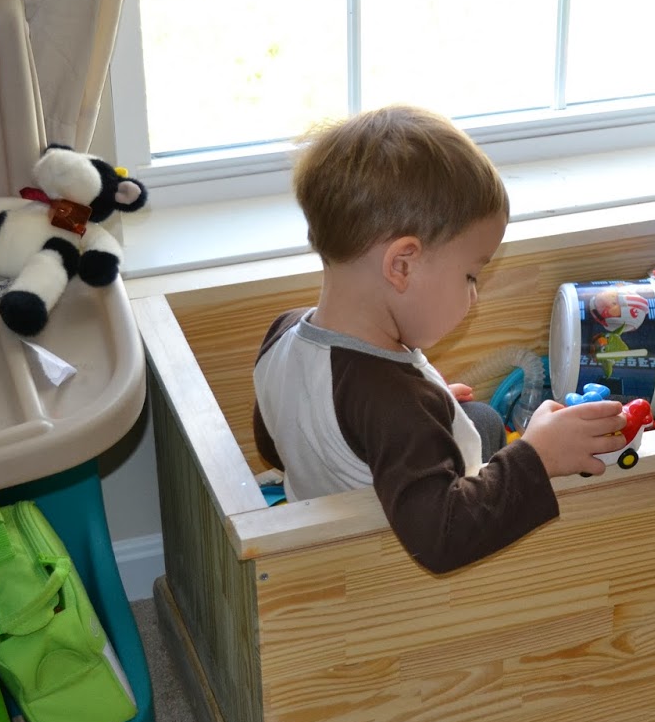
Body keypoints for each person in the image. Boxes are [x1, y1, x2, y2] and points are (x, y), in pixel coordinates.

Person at [252, 105, 627, 573]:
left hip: (342, 501)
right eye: (471, 275)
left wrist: (391, 434)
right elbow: (443, 537)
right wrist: (539, 456)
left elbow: (275, 440)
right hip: (386, 564)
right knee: (490, 428)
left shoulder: (284, 333)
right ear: (402, 265)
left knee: (481, 420)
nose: (475, 298)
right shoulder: (394, 406)